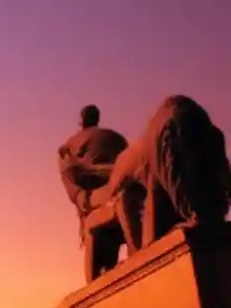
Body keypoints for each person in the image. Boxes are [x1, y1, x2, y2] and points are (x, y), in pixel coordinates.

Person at [104, 95, 231, 253]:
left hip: (168, 128)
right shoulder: (139, 152)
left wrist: (138, 253)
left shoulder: (126, 161)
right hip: (193, 116)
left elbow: (124, 201)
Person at [57, 105, 129, 281]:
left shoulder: (70, 145)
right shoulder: (116, 138)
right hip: (124, 184)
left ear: (82, 120)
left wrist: (80, 199)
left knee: (96, 257)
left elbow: (70, 173)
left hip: (99, 196)